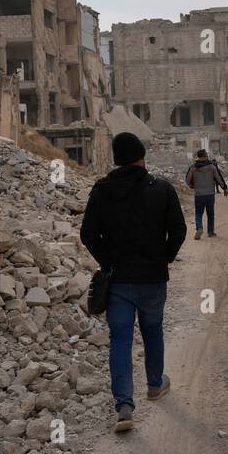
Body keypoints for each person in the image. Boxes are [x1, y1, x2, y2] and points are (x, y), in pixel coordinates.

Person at [80, 133, 186, 432]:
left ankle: (124, 406)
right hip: (152, 278)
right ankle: (155, 384)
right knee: (152, 331)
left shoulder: (101, 190)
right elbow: (178, 230)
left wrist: (107, 261)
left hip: (118, 281)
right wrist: (163, 257)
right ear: (142, 157)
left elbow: (88, 235)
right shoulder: (161, 189)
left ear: (116, 158)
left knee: (121, 340)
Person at [184, 149, 228, 240]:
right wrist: (224, 188)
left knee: (199, 213)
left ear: (198, 157)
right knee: (210, 214)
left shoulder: (193, 167)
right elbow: (219, 178)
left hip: (199, 195)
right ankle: (211, 232)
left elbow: (187, 180)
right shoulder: (212, 167)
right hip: (210, 194)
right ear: (205, 156)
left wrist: (192, 186)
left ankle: (199, 227)